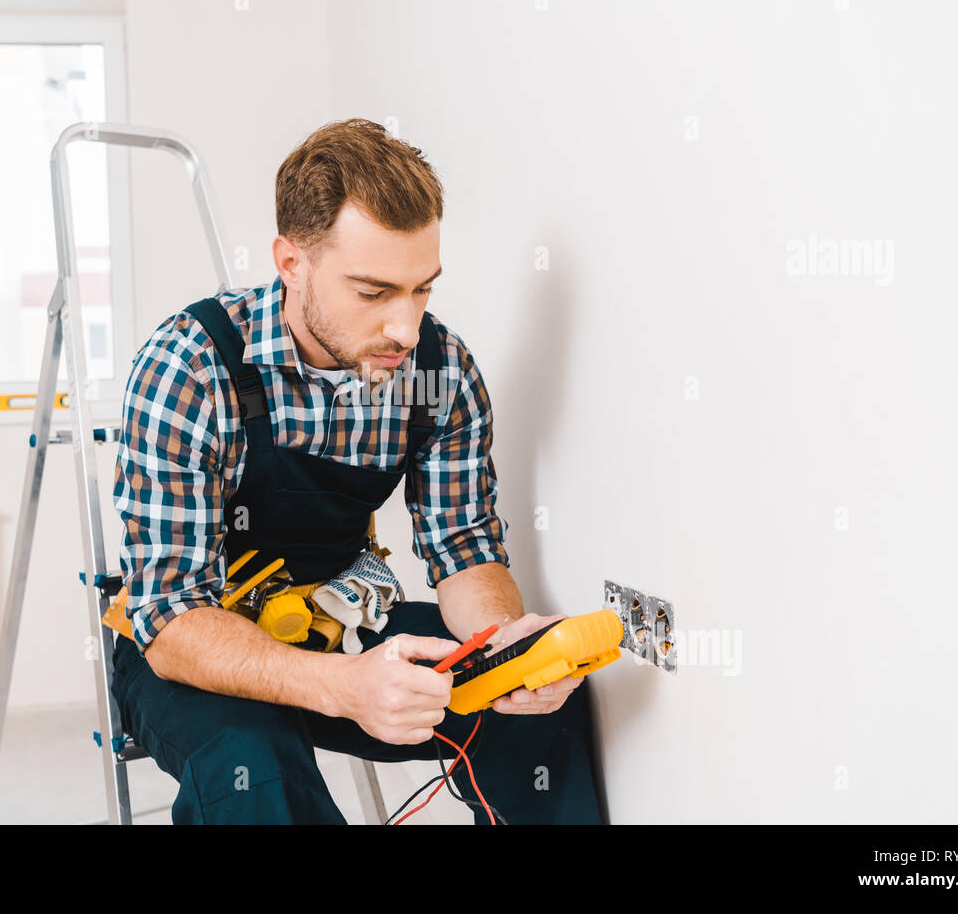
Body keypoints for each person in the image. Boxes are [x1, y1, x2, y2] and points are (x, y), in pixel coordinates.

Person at [110, 117, 603, 824]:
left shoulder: (438, 370)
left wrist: (503, 652)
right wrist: (342, 686)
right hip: (191, 645)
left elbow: (464, 546)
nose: (405, 327)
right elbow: (171, 613)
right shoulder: (190, 367)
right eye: (374, 293)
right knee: (255, 759)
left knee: (533, 708)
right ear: (291, 263)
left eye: (422, 289)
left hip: (336, 619)